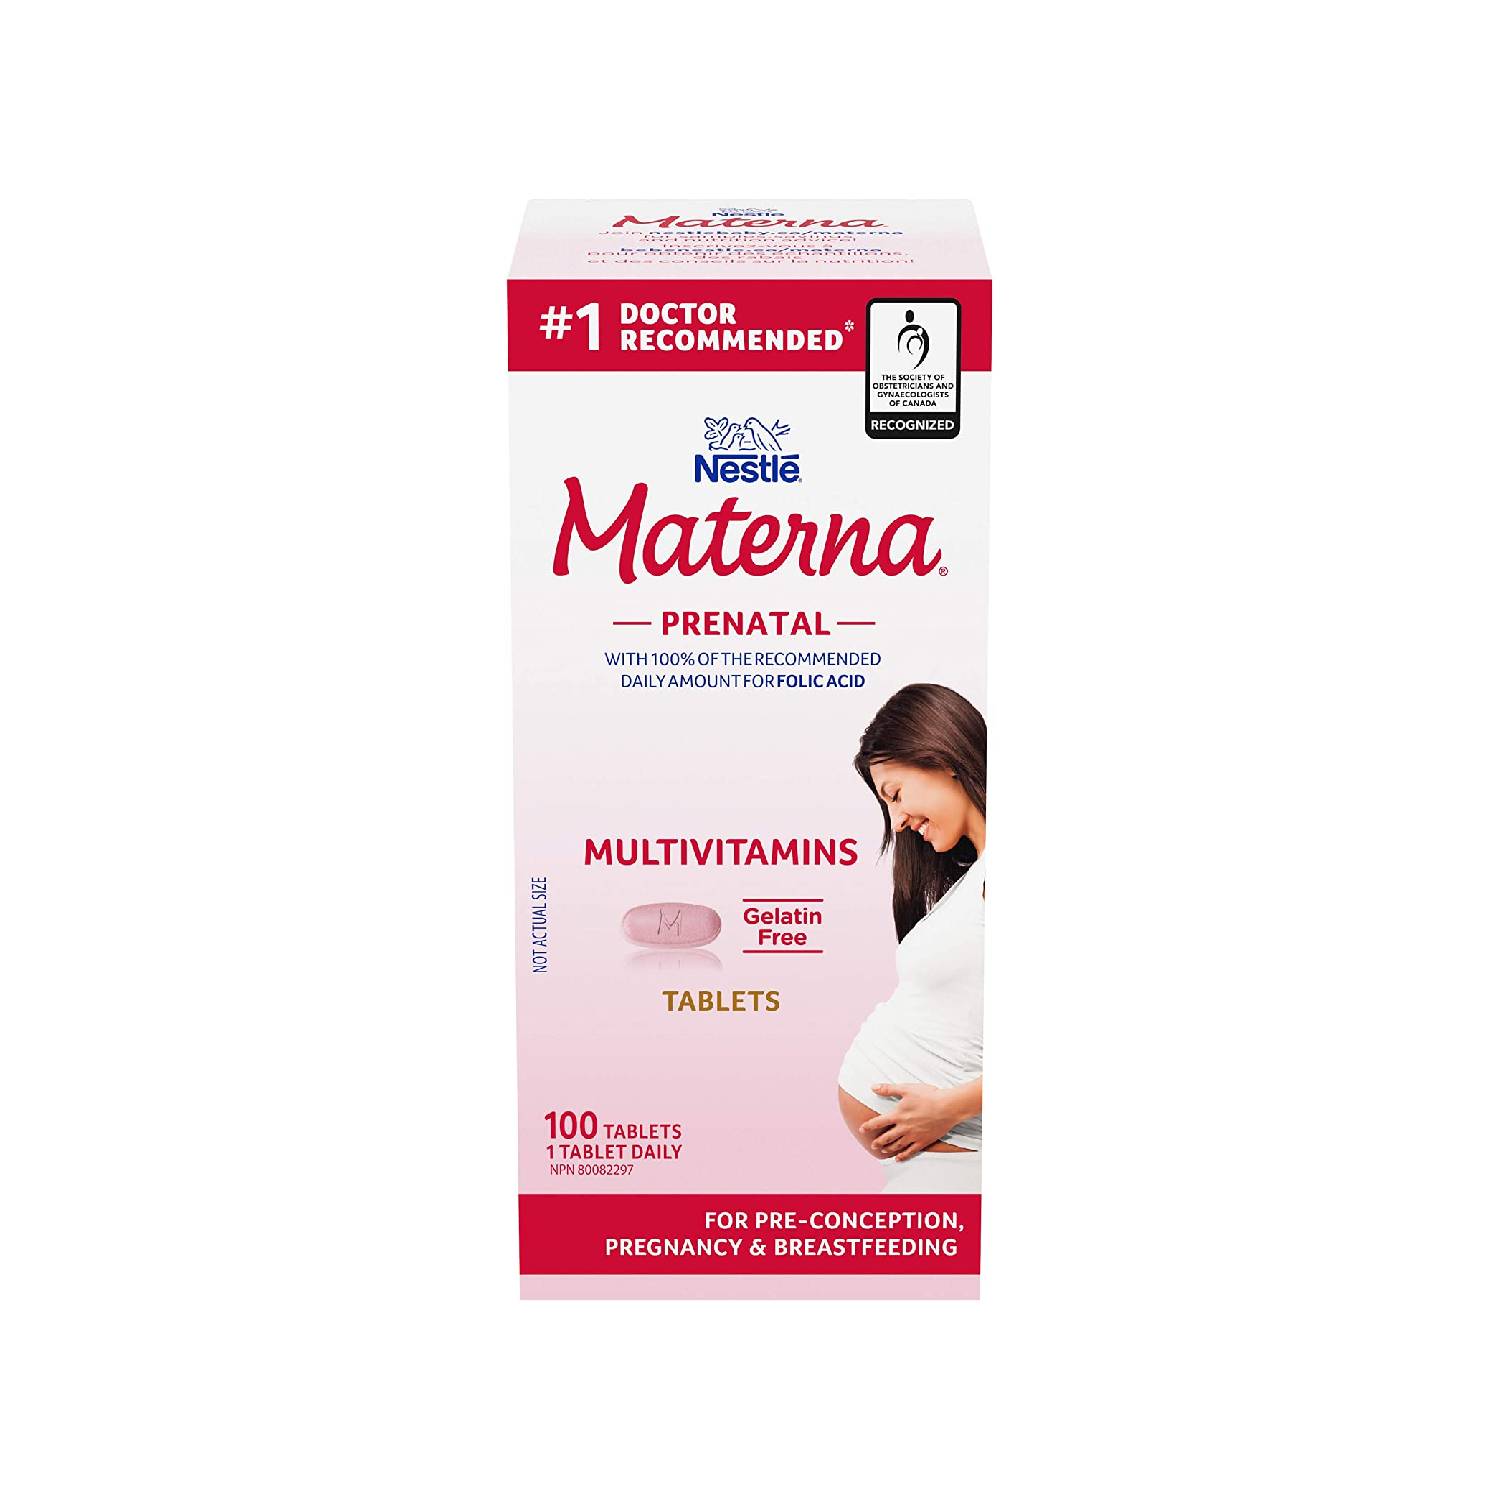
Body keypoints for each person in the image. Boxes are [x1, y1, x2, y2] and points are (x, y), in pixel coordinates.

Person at [837, 684, 985, 1191]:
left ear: (941, 758)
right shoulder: (975, 876)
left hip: (956, 1159)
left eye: (895, 795)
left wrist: (950, 1108)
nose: (897, 821)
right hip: (936, 1161)